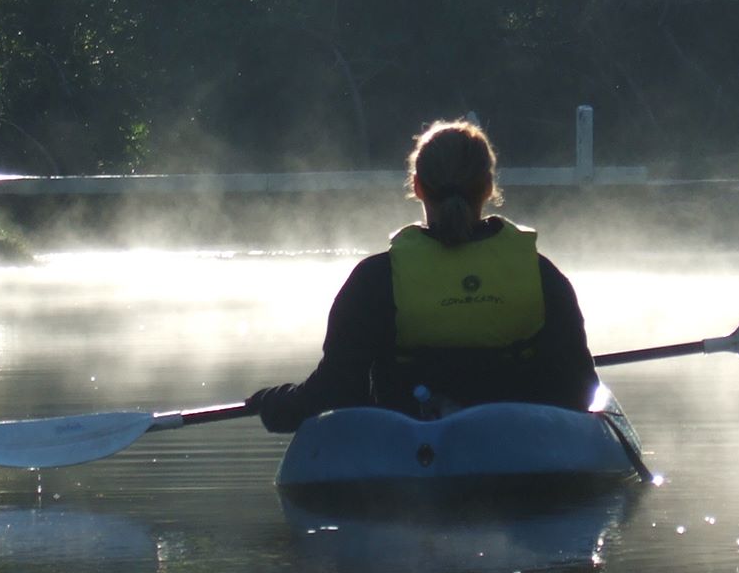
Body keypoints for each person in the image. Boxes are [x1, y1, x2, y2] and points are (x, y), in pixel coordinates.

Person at [247, 119, 599, 433]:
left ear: (417, 186)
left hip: (407, 451)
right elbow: (580, 390)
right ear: (489, 187)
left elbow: (335, 392)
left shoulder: (376, 280)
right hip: (523, 448)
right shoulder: (540, 274)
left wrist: (275, 403)